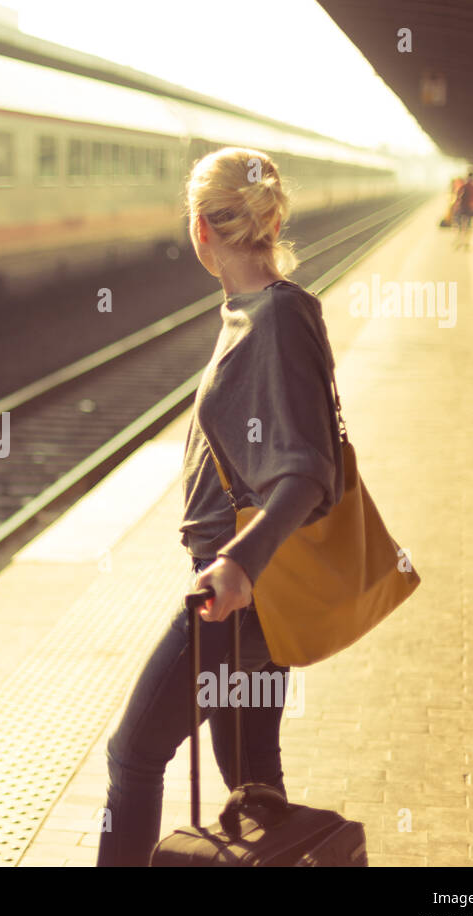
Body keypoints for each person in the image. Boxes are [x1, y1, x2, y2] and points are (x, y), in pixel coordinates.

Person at [97, 147, 344, 867]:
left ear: (201, 230)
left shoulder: (276, 317)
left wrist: (238, 564)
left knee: (133, 756)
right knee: (254, 784)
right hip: (248, 591)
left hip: (236, 596)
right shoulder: (252, 311)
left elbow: (307, 470)